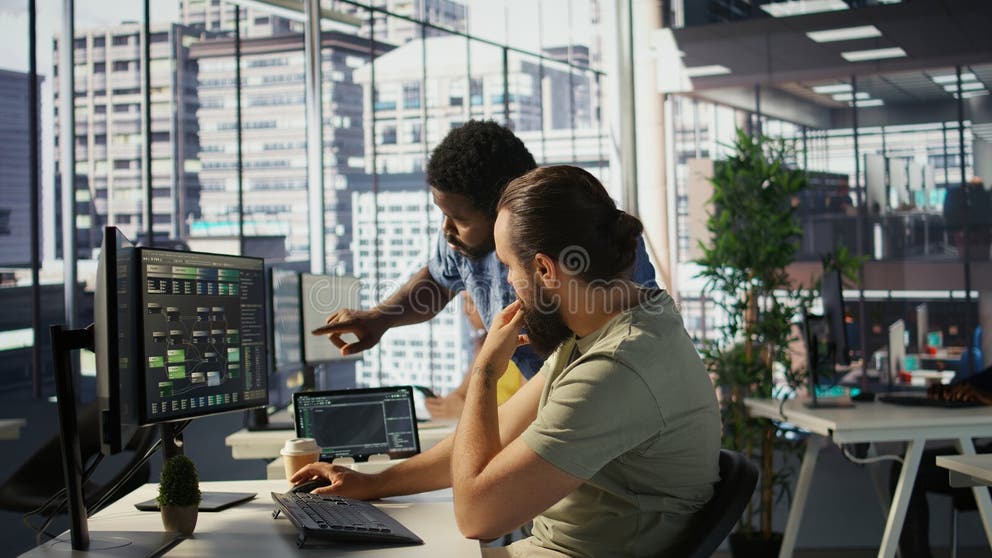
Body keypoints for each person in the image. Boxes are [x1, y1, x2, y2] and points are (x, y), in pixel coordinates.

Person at [296, 165, 720, 556]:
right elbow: (499, 435)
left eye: (509, 267)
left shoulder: (614, 369)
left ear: (544, 269)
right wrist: (371, 483)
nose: (508, 284)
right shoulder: (619, 321)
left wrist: (485, 371)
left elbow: (477, 517)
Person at [312, 120, 657, 398]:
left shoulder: (584, 232)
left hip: (607, 403)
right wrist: (379, 319)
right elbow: (436, 280)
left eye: (458, 218)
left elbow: (630, 344)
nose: (446, 229)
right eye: (443, 214)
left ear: (504, 211)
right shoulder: (464, 240)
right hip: (551, 402)